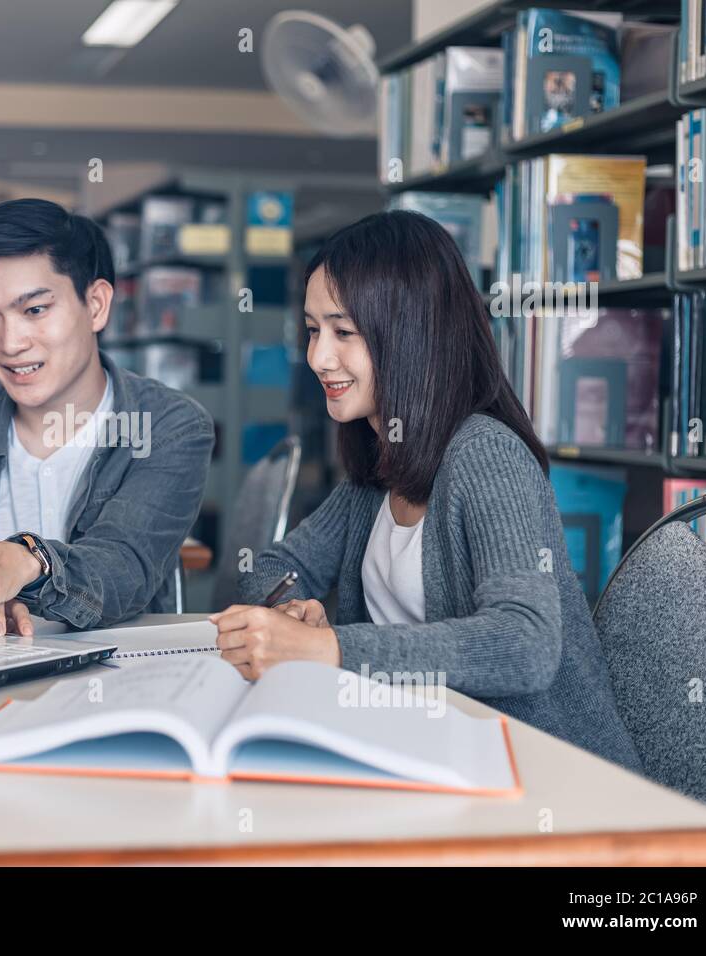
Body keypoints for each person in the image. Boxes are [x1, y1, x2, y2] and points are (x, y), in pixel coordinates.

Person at [213, 209, 642, 771]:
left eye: (344, 332)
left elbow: (526, 643)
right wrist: (292, 611)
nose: (318, 357)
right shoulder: (378, 469)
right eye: (314, 330)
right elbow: (273, 565)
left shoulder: (485, 454)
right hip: (434, 753)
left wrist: (331, 649)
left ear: (411, 335)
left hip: (548, 776)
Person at [0, 198, 214, 637]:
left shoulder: (167, 426)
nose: (10, 343)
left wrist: (25, 561)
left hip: (117, 681)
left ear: (97, 305)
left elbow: (124, 567)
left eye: (35, 310)